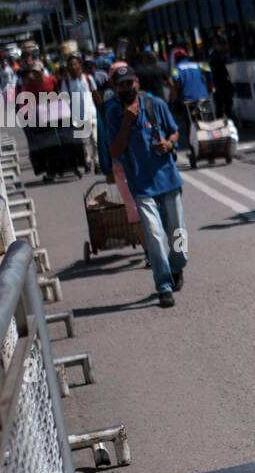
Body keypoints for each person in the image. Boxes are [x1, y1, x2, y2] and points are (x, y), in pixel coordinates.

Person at [103, 65, 187, 308]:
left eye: (129, 83)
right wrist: (128, 121)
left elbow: (175, 132)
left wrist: (169, 144)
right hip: (141, 186)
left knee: (178, 233)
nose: (126, 88)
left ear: (137, 83)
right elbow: (115, 151)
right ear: (115, 88)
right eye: (121, 85)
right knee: (154, 236)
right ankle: (163, 285)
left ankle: (177, 266)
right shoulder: (113, 114)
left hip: (168, 180)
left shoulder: (155, 104)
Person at [168, 47, 212, 169]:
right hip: (203, 98)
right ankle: (210, 148)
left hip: (188, 101)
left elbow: (175, 81)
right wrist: (210, 86)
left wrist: (174, 97)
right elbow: (208, 70)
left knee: (190, 126)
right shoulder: (199, 65)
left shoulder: (176, 69)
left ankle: (194, 150)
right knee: (206, 123)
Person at [62, 53, 99, 170]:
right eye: (71, 65)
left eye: (75, 64)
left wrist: (101, 108)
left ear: (80, 65)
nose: (73, 67)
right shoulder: (66, 83)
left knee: (95, 140)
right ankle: (87, 160)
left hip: (91, 114)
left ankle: (97, 161)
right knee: (83, 142)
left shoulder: (88, 78)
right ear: (68, 68)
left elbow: (95, 94)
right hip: (76, 116)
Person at [208, 35, 234, 121]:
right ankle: (221, 122)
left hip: (224, 83)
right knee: (220, 105)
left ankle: (227, 120)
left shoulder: (220, 54)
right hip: (218, 83)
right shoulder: (214, 56)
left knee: (227, 103)